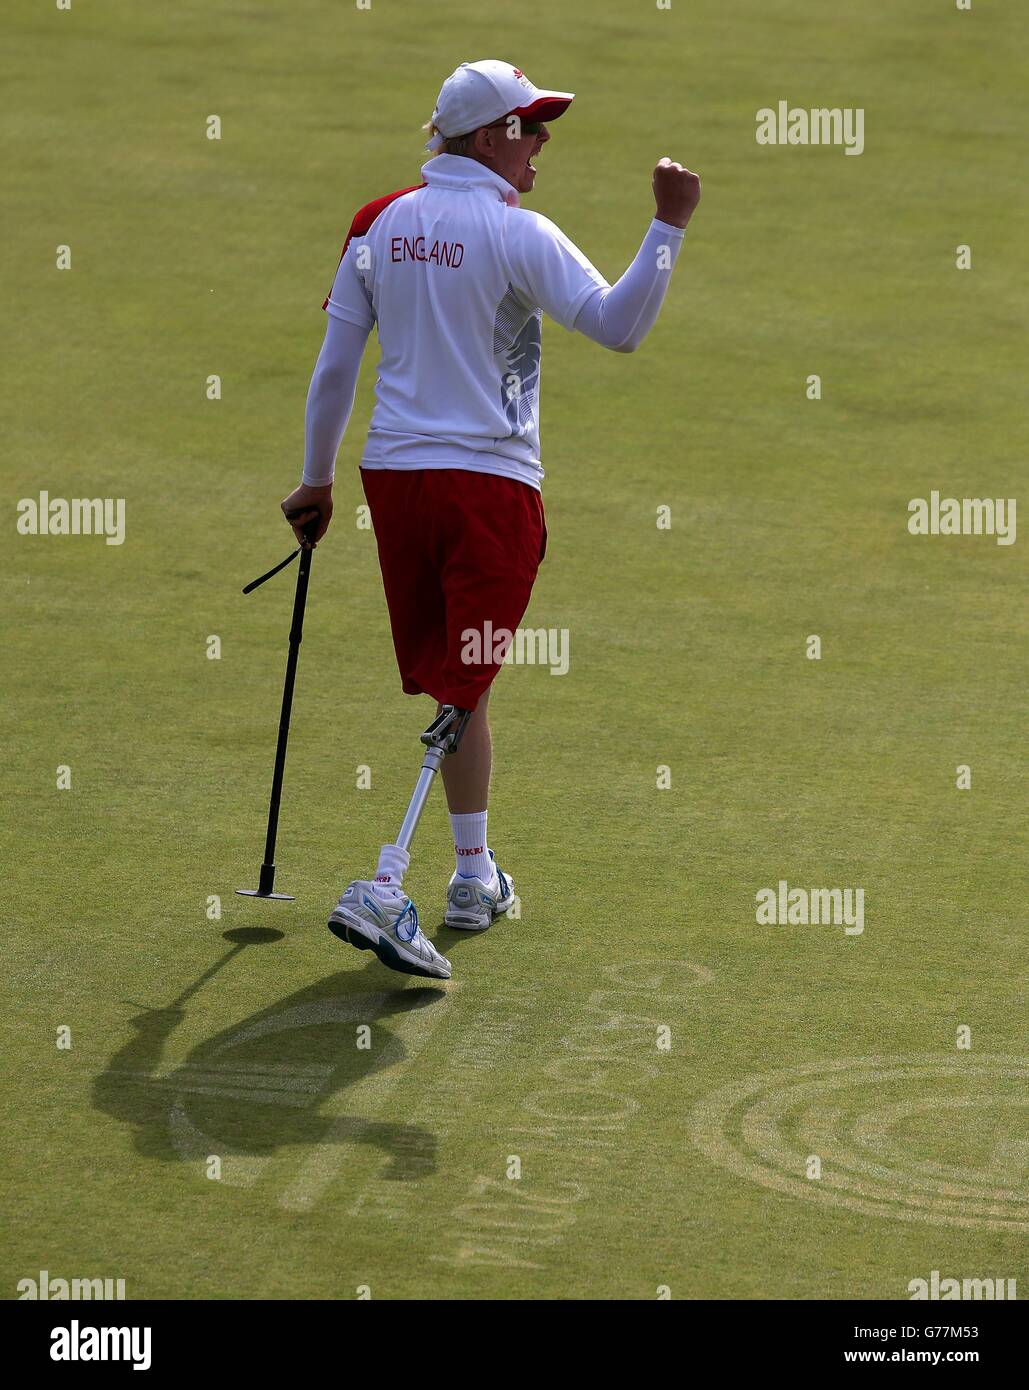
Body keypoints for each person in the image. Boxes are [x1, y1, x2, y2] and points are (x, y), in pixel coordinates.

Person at [281, 60, 701, 980]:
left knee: (463, 679)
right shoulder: (518, 232)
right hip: (490, 488)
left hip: (396, 482)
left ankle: (473, 873)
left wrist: (315, 482)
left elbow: (333, 369)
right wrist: (666, 227)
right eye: (528, 127)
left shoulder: (377, 224)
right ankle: (386, 888)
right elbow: (619, 326)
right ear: (485, 139)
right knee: (465, 679)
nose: (542, 142)